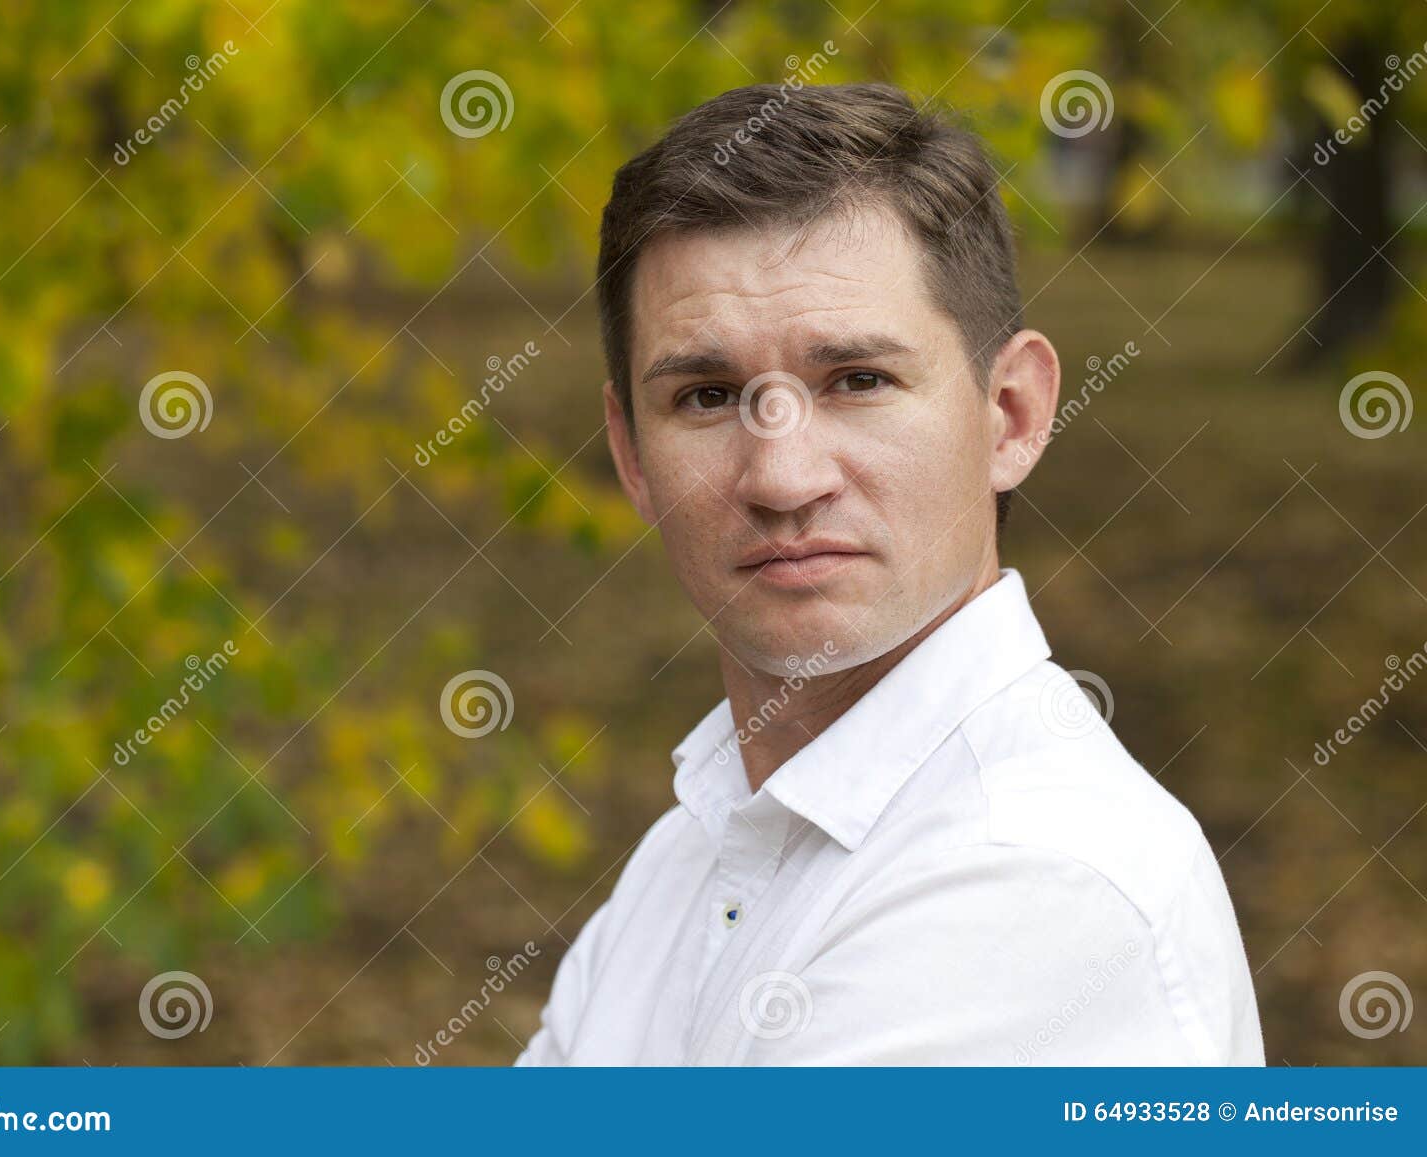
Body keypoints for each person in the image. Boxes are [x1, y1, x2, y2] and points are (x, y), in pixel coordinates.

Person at [516, 82, 1263, 1065]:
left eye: (857, 380)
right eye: (706, 395)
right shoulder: (694, 847)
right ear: (630, 455)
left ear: (1010, 415)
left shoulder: (1035, 881)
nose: (782, 475)